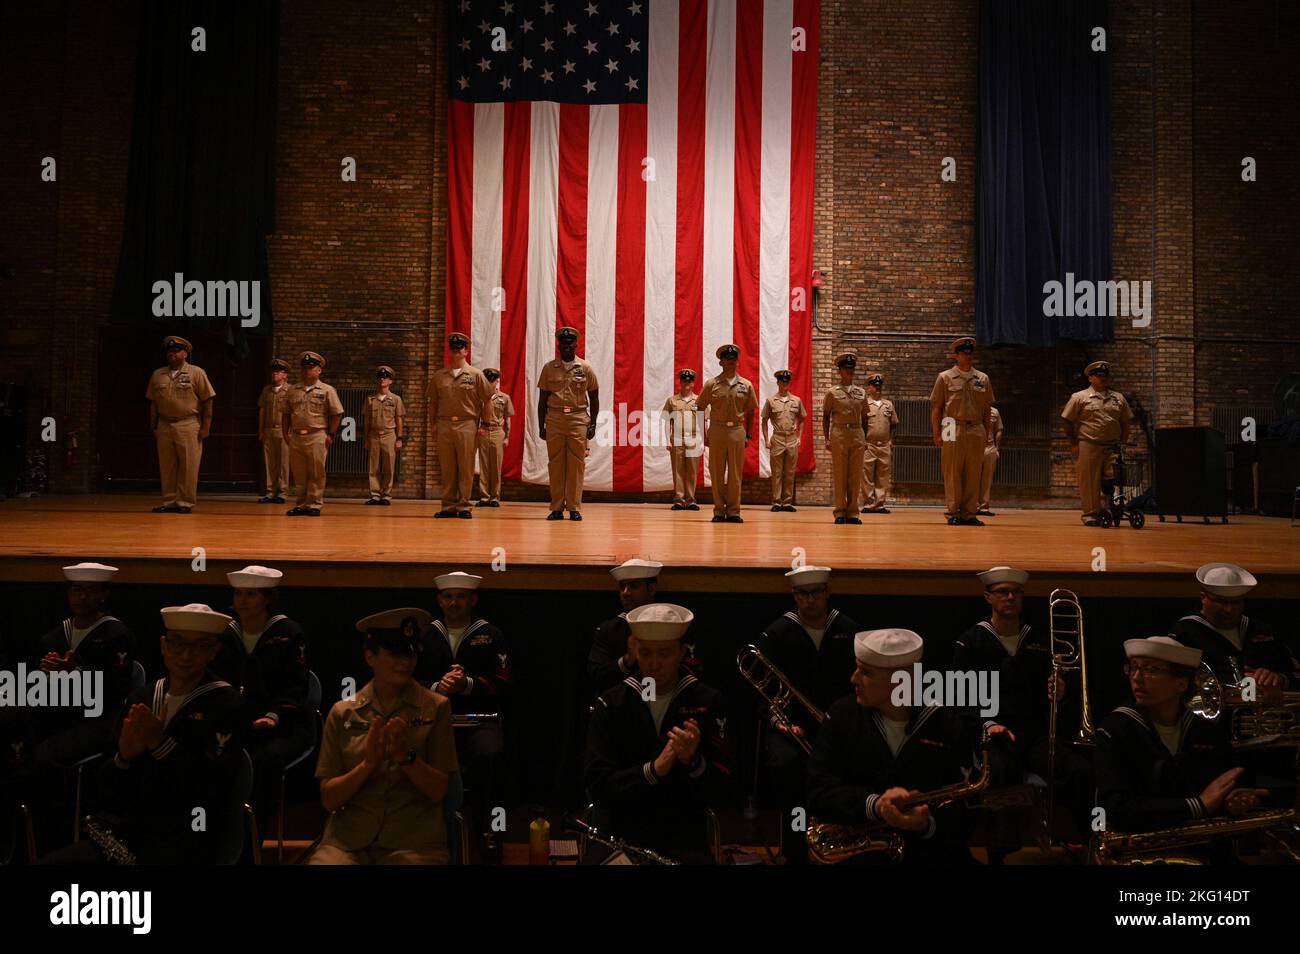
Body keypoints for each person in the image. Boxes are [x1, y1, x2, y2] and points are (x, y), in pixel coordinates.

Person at [41, 604, 240, 865]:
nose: (186, 655)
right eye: (177, 644)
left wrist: (160, 744)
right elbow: (107, 787)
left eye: (200, 646)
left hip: (187, 837)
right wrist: (123, 757)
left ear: (214, 651)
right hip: (130, 832)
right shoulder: (143, 697)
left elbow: (210, 788)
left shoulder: (226, 704)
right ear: (163, 646)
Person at [807, 629, 980, 865]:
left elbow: (969, 813)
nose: (853, 678)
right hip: (861, 853)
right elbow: (817, 790)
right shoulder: (841, 716)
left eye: (866, 672)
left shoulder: (946, 726)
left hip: (930, 852)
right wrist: (874, 805)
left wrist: (925, 824)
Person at [951, 566, 1091, 857]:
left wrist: (1060, 696)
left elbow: (1052, 701)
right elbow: (958, 699)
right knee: (1000, 771)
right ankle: (1001, 855)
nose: (1011, 597)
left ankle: (1088, 842)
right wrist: (987, 725)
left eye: (1017, 592)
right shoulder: (970, 641)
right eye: (1003, 592)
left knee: (1080, 770)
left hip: (1032, 735)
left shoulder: (1039, 640)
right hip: (994, 734)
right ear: (988, 596)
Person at [1094, 637, 1270, 860]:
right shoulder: (1116, 729)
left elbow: (1220, 783)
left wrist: (1232, 799)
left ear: (1182, 683)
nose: (1137, 678)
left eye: (1151, 670)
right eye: (1134, 668)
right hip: (1138, 852)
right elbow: (1117, 808)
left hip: (1200, 846)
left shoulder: (1205, 730)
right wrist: (1198, 805)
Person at [585, 603, 731, 864]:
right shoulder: (611, 703)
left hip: (682, 833)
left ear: (682, 653)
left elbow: (726, 787)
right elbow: (597, 786)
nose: (654, 663)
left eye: (664, 653)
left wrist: (694, 763)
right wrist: (653, 770)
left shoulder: (708, 701)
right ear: (634, 651)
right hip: (620, 833)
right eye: (645, 653)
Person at [310, 608, 458, 865]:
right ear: (370, 657)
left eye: (411, 653)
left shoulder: (436, 708)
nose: (406, 661)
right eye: (395, 653)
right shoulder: (342, 712)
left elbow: (438, 791)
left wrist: (405, 756)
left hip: (415, 842)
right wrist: (367, 765)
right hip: (348, 842)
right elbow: (329, 799)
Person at [756, 566, 859, 863]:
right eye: (803, 594)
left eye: (816, 593)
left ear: (827, 592)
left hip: (839, 725)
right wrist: (778, 721)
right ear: (794, 595)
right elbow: (760, 692)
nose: (810, 600)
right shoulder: (777, 633)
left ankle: (843, 841)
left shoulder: (849, 629)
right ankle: (795, 846)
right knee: (786, 764)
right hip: (792, 727)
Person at [415, 571, 512, 857]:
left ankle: (489, 840)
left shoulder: (492, 635)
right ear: (439, 600)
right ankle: (426, 841)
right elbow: (406, 683)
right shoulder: (424, 635)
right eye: (448, 597)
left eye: (460, 597)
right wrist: (437, 688)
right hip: (434, 722)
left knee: (491, 757)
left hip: (479, 721)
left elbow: (506, 685)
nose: (454, 602)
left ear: (473, 600)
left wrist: (467, 684)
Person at [212, 565, 312, 834]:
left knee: (264, 760)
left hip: (283, 726)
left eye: (251, 594)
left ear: (267, 598)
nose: (242, 601)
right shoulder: (225, 634)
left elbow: (297, 686)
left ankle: (251, 836)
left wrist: (274, 716)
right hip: (238, 723)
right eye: (239, 594)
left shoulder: (288, 632)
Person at [29, 563, 136, 766]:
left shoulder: (116, 635)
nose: (83, 597)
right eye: (76, 590)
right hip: (59, 713)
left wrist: (75, 672)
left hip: (100, 719)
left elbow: (118, 687)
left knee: (45, 754)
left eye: (91, 590)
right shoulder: (55, 636)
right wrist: (45, 673)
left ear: (104, 594)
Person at [1167, 563, 1299, 692]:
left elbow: (1293, 672)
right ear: (1203, 598)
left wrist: (1279, 678)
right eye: (1221, 602)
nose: (1229, 610)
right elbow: (1171, 680)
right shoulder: (1184, 632)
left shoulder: (1261, 629)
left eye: (1236, 602)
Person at [145, 335, 214, 514]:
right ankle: (169, 501)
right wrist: (153, 425)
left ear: (185, 354)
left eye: (176, 351)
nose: (172, 354)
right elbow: (153, 402)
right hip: (164, 424)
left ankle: (184, 502)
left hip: (188, 424)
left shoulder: (196, 373)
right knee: (167, 466)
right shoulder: (158, 374)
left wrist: (206, 426)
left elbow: (207, 400)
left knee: (188, 465)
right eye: (169, 351)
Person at [929, 337, 994, 526]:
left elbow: (987, 409)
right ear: (955, 356)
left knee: (974, 472)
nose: (968, 356)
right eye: (964, 353)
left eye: (970, 353)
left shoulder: (982, 378)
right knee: (952, 470)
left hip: (976, 427)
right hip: (951, 424)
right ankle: (953, 512)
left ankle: (969, 513)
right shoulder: (945, 377)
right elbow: (936, 407)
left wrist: (987, 433)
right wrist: (936, 434)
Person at [430, 332, 495, 518]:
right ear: (451, 350)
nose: (457, 349)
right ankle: (448, 506)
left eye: (460, 347)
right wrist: (433, 424)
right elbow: (433, 402)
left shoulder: (475, 375)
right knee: (447, 467)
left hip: (467, 424)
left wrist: (486, 424)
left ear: (466, 351)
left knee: (466, 467)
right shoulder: (439, 376)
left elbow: (488, 399)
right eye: (454, 347)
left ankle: (464, 506)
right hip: (444, 425)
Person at [537, 326, 600, 520]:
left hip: (578, 419)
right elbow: (542, 400)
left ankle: (574, 507)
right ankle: (556, 507)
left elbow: (594, 397)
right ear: (559, 345)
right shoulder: (549, 368)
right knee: (555, 464)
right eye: (563, 344)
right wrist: (541, 426)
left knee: (576, 464)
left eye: (570, 344)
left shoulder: (585, 368)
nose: (567, 347)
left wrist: (593, 424)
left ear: (576, 345)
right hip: (555, 419)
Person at [1061, 361, 1133, 526]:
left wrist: (1123, 443)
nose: (1103, 379)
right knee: (1089, 481)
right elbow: (1066, 420)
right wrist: (1073, 443)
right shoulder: (1079, 397)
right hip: (1089, 444)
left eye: (1106, 376)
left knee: (1113, 479)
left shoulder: (1118, 398)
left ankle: (1112, 510)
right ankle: (1091, 515)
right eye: (1099, 376)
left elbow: (1126, 422)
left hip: (1112, 446)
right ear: (1090, 378)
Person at [698, 344, 757, 524]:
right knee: (716, 473)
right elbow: (700, 408)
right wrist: (704, 434)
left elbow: (751, 411)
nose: (730, 362)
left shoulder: (746, 385)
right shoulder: (711, 384)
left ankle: (733, 511)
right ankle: (718, 511)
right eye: (727, 359)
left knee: (735, 474)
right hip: (717, 430)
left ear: (737, 362)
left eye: (733, 359)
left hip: (737, 431)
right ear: (721, 362)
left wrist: (748, 435)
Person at [588, 559, 664, 695]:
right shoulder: (609, 630)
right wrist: (627, 660)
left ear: (651, 589)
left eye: (634, 586)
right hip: (624, 705)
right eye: (622, 586)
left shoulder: (673, 623)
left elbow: (694, 670)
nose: (626, 592)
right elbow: (596, 676)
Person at [283, 351, 344, 517]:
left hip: (317, 434)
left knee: (316, 472)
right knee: (299, 472)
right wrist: (285, 433)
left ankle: (315, 504)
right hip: (296, 436)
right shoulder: (293, 390)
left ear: (319, 370)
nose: (307, 371)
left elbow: (337, 413)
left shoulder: (327, 390)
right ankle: (301, 504)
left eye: (311, 368)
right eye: (304, 368)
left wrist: (331, 434)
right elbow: (286, 414)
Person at [823, 352, 866, 525]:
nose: (850, 372)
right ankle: (840, 512)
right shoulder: (832, 393)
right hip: (839, 433)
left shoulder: (861, 393)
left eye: (852, 369)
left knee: (855, 475)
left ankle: (853, 512)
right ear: (839, 371)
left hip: (857, 434)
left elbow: (866, 417)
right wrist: (826, 438)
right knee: (840, 474)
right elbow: (826, 416)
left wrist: (867, 439)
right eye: (846, 369)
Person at [762, 370, 806, 512]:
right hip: (778, 438)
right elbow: (764, 420)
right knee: (777, 472)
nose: (785, 384)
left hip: (792, 438)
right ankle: (776, 501)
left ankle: (787, 502)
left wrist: (799, 437)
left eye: (787, 381)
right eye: (782, 381)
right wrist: (766, 439)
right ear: (778, 383)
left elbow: (802, 418)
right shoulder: (771, 400)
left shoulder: (796, 401)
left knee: (790, 471)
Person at [363, 365, 406, 506]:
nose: (383, 380)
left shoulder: (395, 399)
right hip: (374, 435)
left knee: (389, 467)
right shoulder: (370, 399)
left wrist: (399, 438)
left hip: (389, 435)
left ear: (391, 381)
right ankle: (375, 495)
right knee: (373, 467)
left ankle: (386, 495)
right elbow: (367, 421)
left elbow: (399, 419)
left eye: (386, 378)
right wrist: (366, 438)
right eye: (381, 377)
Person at [663, 369, 702, 511]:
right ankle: (679, 499)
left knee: (692, 470)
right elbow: (667, 422)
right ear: (680, 381)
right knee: (678, 470)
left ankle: (691, 499)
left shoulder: (699, 400)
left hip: (693, 438)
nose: (687, 383)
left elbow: (704, 421)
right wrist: (667, 440)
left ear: (693, 383)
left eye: (690, 381)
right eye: (684, 380)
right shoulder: (672, 401)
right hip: (677, 438)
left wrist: (703, 441)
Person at [860, 371, 897, 515]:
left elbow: (893, 423)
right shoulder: (865, 404)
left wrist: (891, 440)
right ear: (869, 388)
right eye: (875, 385)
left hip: (884, 445)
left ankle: (879, 504)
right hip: (869, 445)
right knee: (867, 475)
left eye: (879, 385)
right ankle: (869, 504)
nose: (877, 388)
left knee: (883, 476)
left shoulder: (888, 405)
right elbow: (861, 423)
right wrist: (862, 441)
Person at [476, 367, 514, 507]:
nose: (491, 382)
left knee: (496, 466)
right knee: (484, 465)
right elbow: (475, 416)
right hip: (484, 431)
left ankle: (495, 497)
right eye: (488, 380)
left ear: (497, 381)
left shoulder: (504, 398)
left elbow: (508, 418)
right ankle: (484, 496)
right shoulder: (479, 397)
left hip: (498, 431)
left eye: (493, 380)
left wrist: (507, 437)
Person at [257, 358, 292, 504]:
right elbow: (262, 410)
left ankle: (282, 493)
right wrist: (261, 430)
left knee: (283, 463)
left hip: (283, 431)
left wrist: (290, 431)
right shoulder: (267, 390)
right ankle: (270, 491)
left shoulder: (290, 390)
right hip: (269, 430)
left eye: (278, 372)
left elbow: (292, 413)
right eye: (273, 372)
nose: (274, 374)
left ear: (285, 375)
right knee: (269, 462)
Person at [976, 405, 1002, 517]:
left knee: (987, 479)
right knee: (972, 478)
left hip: (990, 447)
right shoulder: (973, 409)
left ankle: (983, 507)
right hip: (975, 447)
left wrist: (997, 448)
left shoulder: (995, 412)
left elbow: (999, 430)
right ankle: (971, 506)